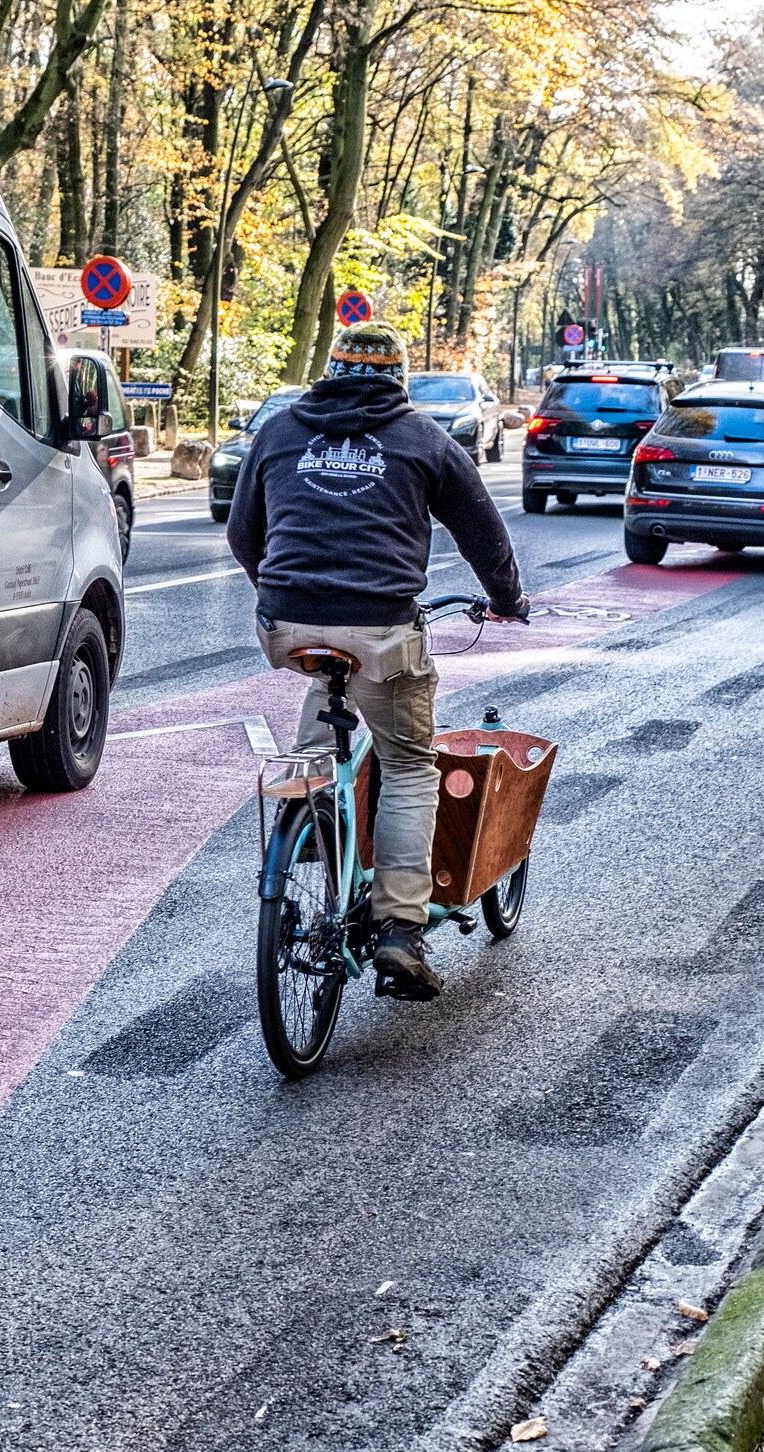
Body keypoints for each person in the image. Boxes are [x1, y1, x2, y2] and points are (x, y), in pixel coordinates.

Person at [226, 322, 528, 1002]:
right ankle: (400, 927)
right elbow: (482, 528)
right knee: (410, 762)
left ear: (330, 370)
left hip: (285, 621)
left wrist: (281, 595)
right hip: (381, 630)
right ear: (398, 380)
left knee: (328, 689)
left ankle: (313, 810)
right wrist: (508, 597)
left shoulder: (279, 430)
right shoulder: (422, 438)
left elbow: (244, 532)